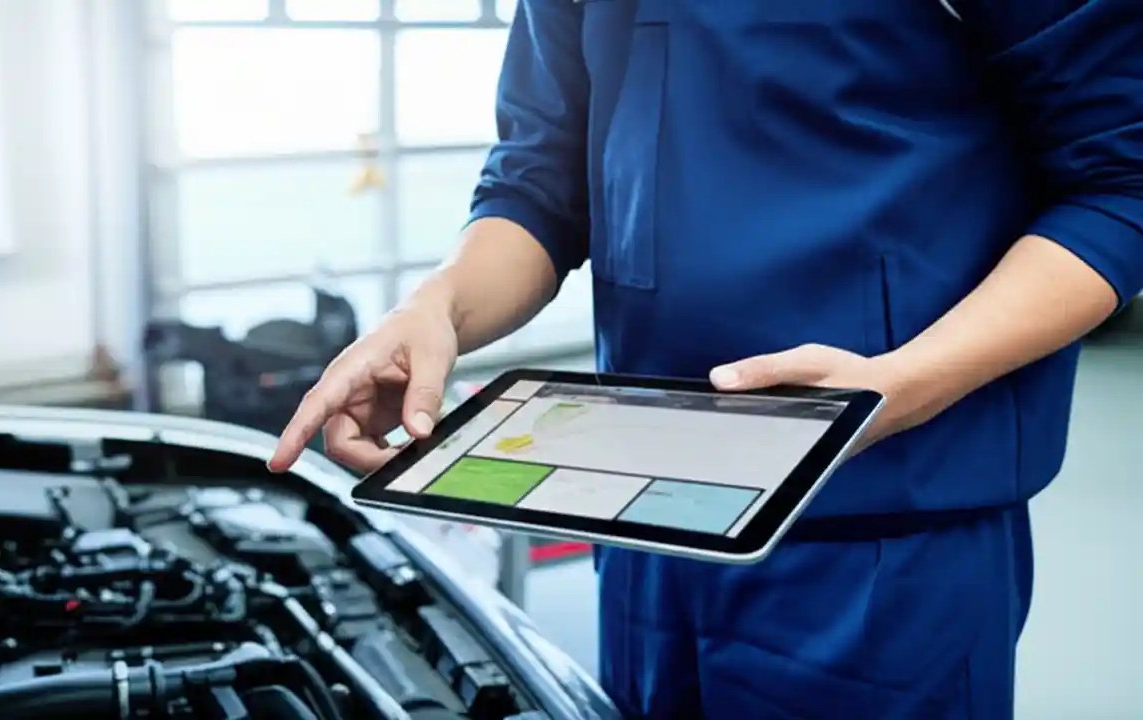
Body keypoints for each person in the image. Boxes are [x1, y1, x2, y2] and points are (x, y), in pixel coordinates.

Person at [269, 1, 1143, 716]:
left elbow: (1122, 179)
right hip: (643, 516)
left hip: (879, 542)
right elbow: (540, 184)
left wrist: (905, 383)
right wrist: (437, 309)